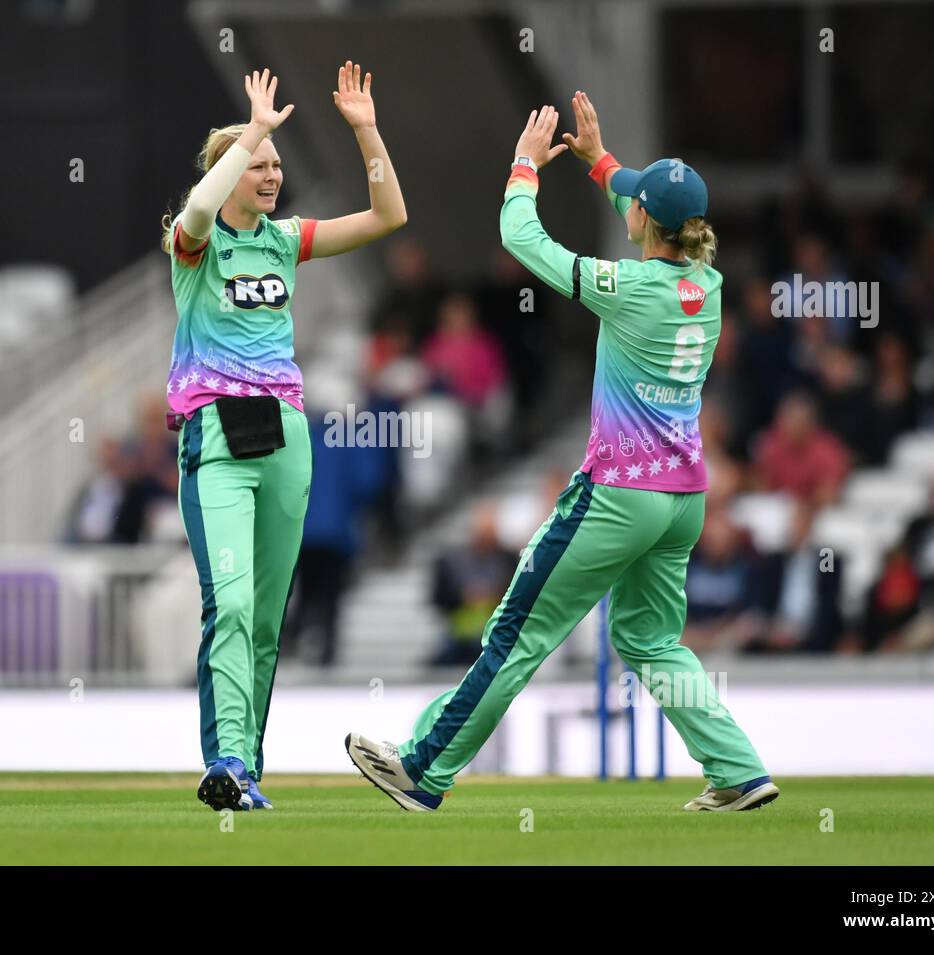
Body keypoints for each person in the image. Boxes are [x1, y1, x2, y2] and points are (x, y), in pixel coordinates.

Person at [346, 94, 777, 813]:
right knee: (649, 640)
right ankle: (736, 768)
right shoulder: (709, 282)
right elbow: (654, 218)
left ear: (646, 221)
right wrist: (602, 163)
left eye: (635, 202)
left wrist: (524, 163)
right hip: (684, 500)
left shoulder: (631, 287)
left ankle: (424, 768)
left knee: (517, 630)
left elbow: (523, 239)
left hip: (618, 493)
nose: (629, 205)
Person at [161, 65, 407, 811]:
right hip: (215, 435)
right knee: (229, 604)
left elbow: (387, 214)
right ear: (231, 171)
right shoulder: (193, 244)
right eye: (260, 165)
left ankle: (245, 769)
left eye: (274, 164)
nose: (272, 175)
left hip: (286, 437)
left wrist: (365, 128)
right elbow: (201, 205)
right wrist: (254, 130)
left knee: (267, 619)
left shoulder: (286, 240)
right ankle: (225, 757)